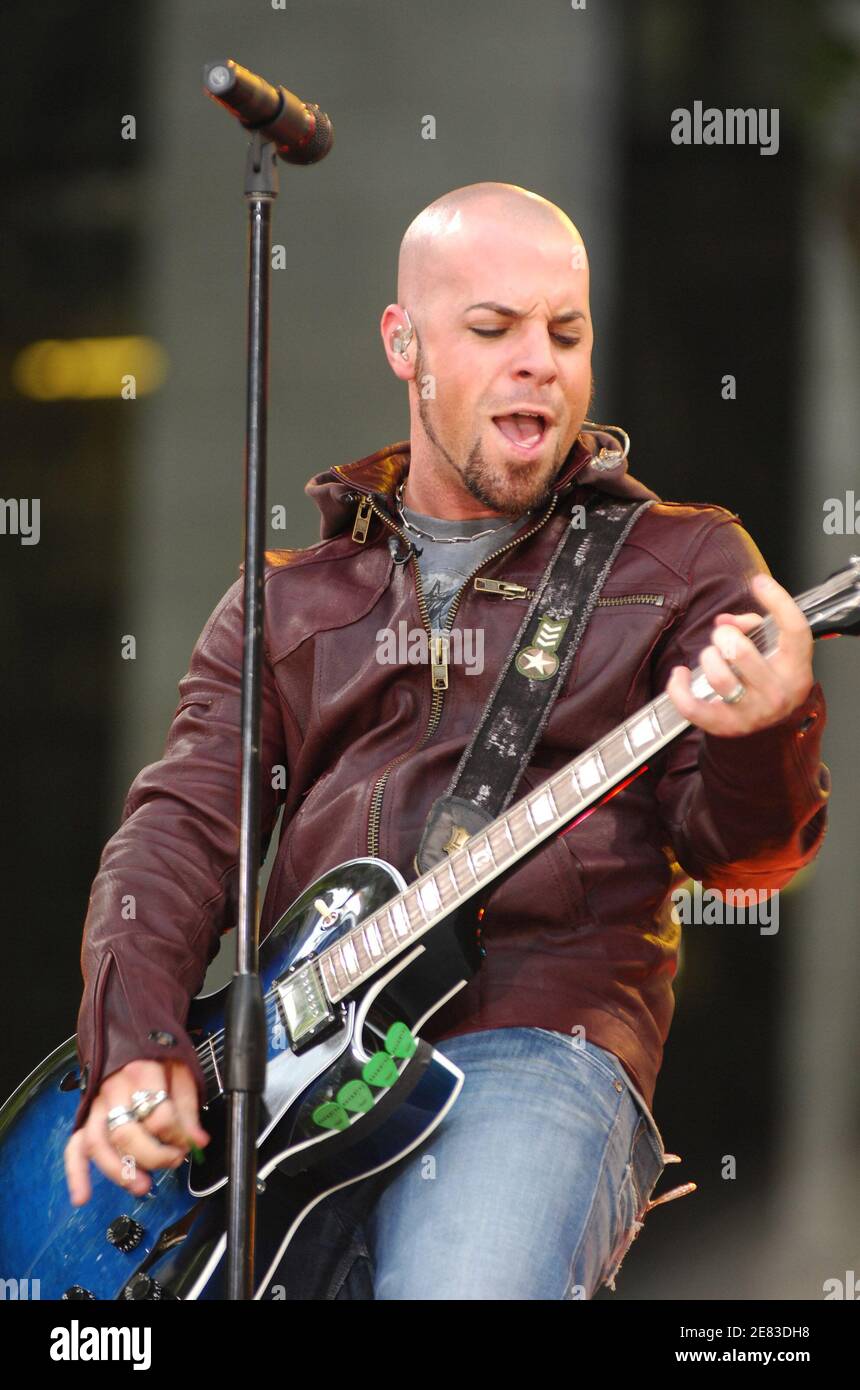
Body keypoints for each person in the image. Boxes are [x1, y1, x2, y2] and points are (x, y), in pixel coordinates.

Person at [63, 182, 830, 1299]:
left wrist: (765, 729)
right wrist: (135, 1041)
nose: (538, 362)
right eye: (492, 328)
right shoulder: (289, 599)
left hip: (536, 1038)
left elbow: (743, 857)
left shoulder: (680, 563)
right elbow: (180, 829)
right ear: (404, 342)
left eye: (564, 333)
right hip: (286, 1067)